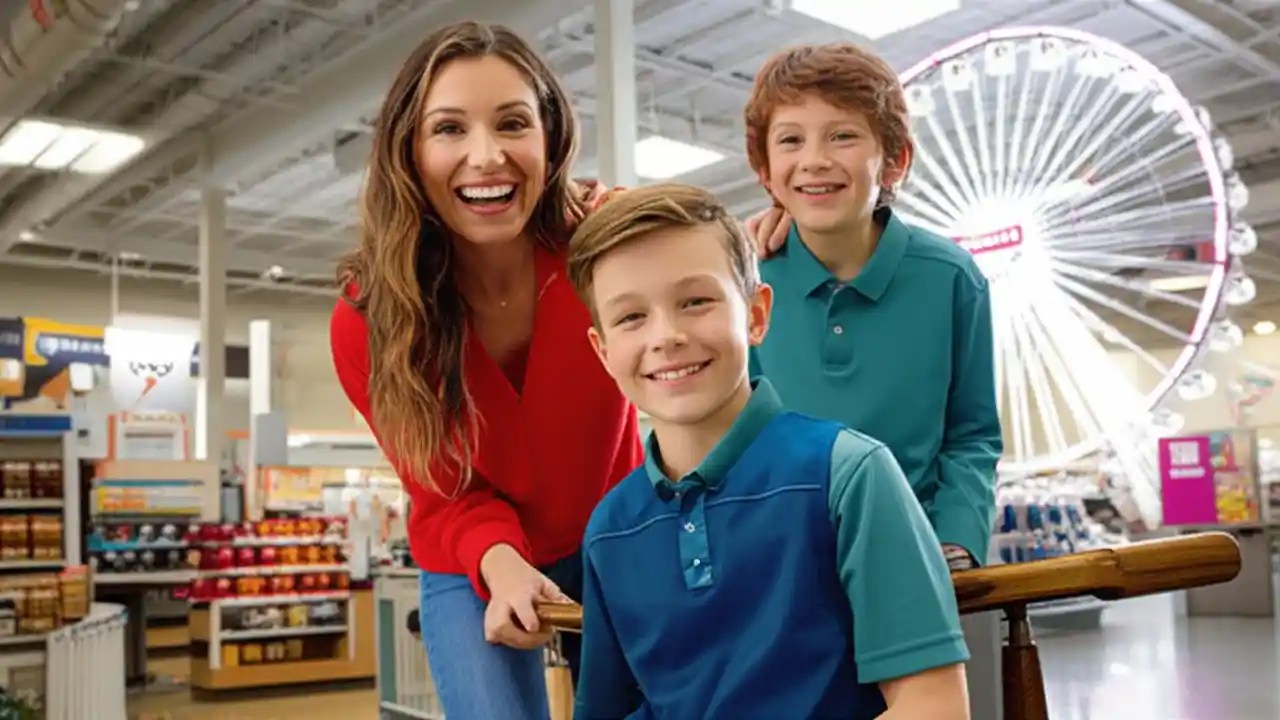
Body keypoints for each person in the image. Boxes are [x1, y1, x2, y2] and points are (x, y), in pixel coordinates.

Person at [329, 22, 643, 720]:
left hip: (613, 537)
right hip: (473, 553)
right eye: (449, 129)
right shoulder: (371, 318)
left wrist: (788, 226)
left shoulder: (610, 245)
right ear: (408, 152)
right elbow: (442, 488)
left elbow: (714, 283)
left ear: (550, 137)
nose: (486, 155)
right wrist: (500, 562)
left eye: (512, 123)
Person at [566, 183, 971, 720]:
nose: (666, 336)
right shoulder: (610, 529)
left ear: (756, 315)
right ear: (602, 352)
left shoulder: (849, 476)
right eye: (630, 318)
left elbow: (934, 704)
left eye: (696, 302)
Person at [743, 42, 1003, 570]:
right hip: (782, 559)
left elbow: (972, 433)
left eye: (842, 135)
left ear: (895, 160)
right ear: (765, 170)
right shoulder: (745, 282)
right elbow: (730, 433)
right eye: (790, 140)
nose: (815, 159)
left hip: (916, 553)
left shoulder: (952, 278)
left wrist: (956, 536)